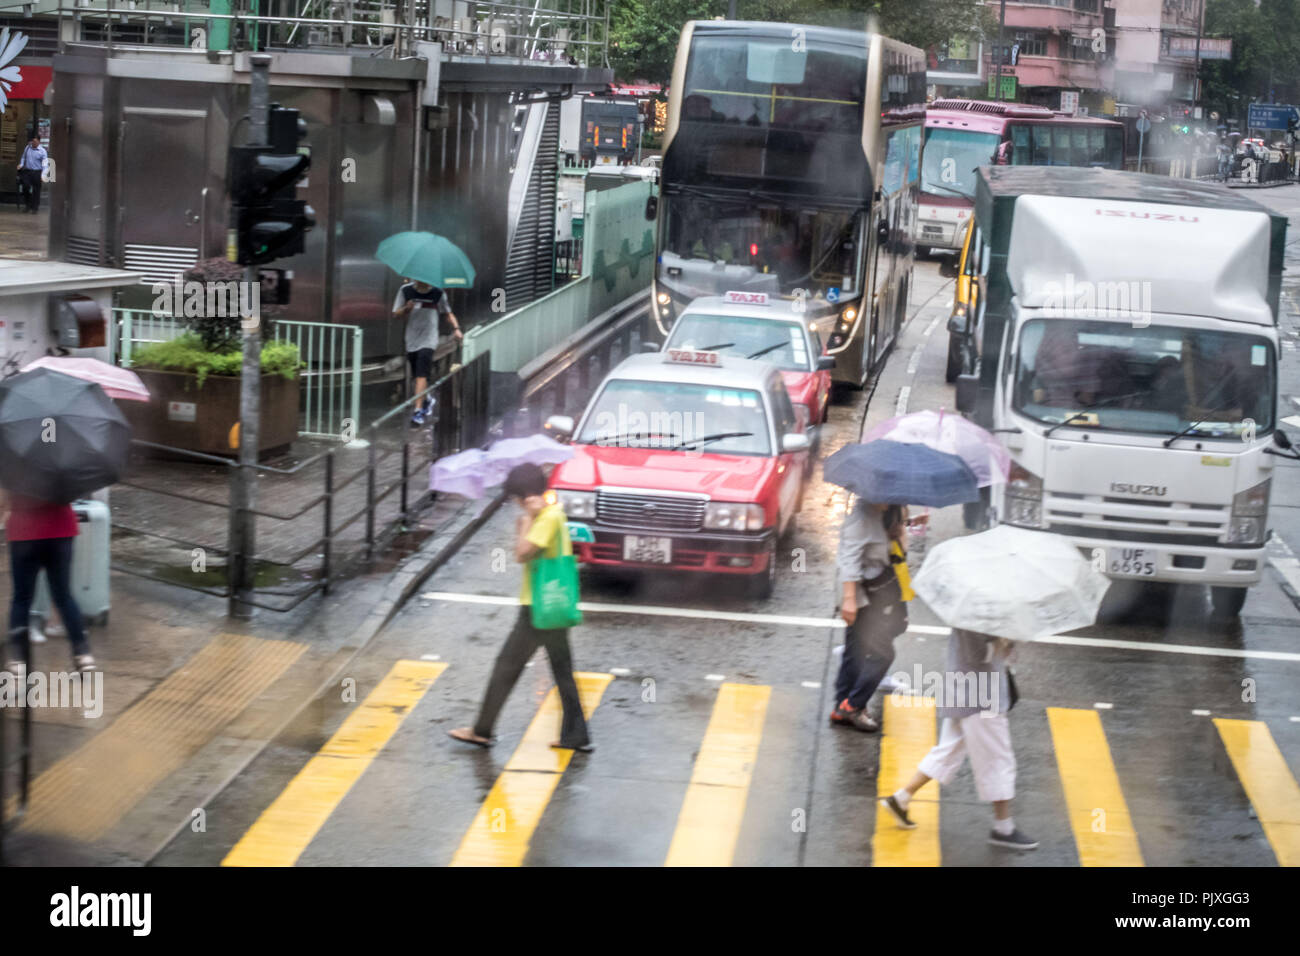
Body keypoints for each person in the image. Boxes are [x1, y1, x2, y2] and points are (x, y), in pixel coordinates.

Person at [449, 464, 592, 752]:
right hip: (551, 607)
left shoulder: (547, 517)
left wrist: (526, 521)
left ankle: (482, 730)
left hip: (537, 609)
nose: (514, 503)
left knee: (506, 667)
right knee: (561, 671)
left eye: (515, 498)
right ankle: (576, 735)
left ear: (525, 496)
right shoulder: (551, 514)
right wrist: (528, 520)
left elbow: (522, 554)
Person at [880, 628, 1037, 851]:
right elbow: (978, 652)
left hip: (963, 691)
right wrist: (1003, 644)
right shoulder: (976, 611)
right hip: (981, 698)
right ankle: (1004, 828)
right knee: (998, 761)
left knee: (948, 751)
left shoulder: (971, 606)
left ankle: (901, 798)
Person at [830, 498, 910, 732]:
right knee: (883, 654)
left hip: (877, 591)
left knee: (855, 652)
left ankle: (841, 707)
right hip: (861, 596)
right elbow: (849, 561)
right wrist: (850, 600)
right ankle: (853, 706)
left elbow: (895, 551)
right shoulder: (861, 518)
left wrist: (900, 528)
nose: (889, 500)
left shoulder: (887, 511)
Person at [1, 490, 95, 675]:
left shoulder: (14, 463)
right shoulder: (60, 462)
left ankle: (18, 658)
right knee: (63, 596)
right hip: (60, 529)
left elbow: (3, 502)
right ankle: (83, 653)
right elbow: (73, 492)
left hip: (24, 531)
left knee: (22, 598)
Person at [392, 279, 462, 428]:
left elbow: (448, 313)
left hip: (429, 340)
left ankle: (418, 412)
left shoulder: (438, 293)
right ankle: (427, 399)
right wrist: (406, 309)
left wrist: (456, 328)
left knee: (420, 376)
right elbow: (396, 314)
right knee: (417, 377)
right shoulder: (406, 291)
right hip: (411, 340)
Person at [16, 134, 47, 214]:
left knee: (36, 190)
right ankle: (27, 205)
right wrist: (21, 164)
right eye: (32, 141)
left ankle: (35, 208)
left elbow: (45, 164)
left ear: (39, 142)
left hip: (37, 172)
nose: (33, 143)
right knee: (25, 187)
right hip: (27, 171)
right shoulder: (27, 148)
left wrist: (43, 175)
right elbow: (23, 157)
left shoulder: (42, 151)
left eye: (35, 142)